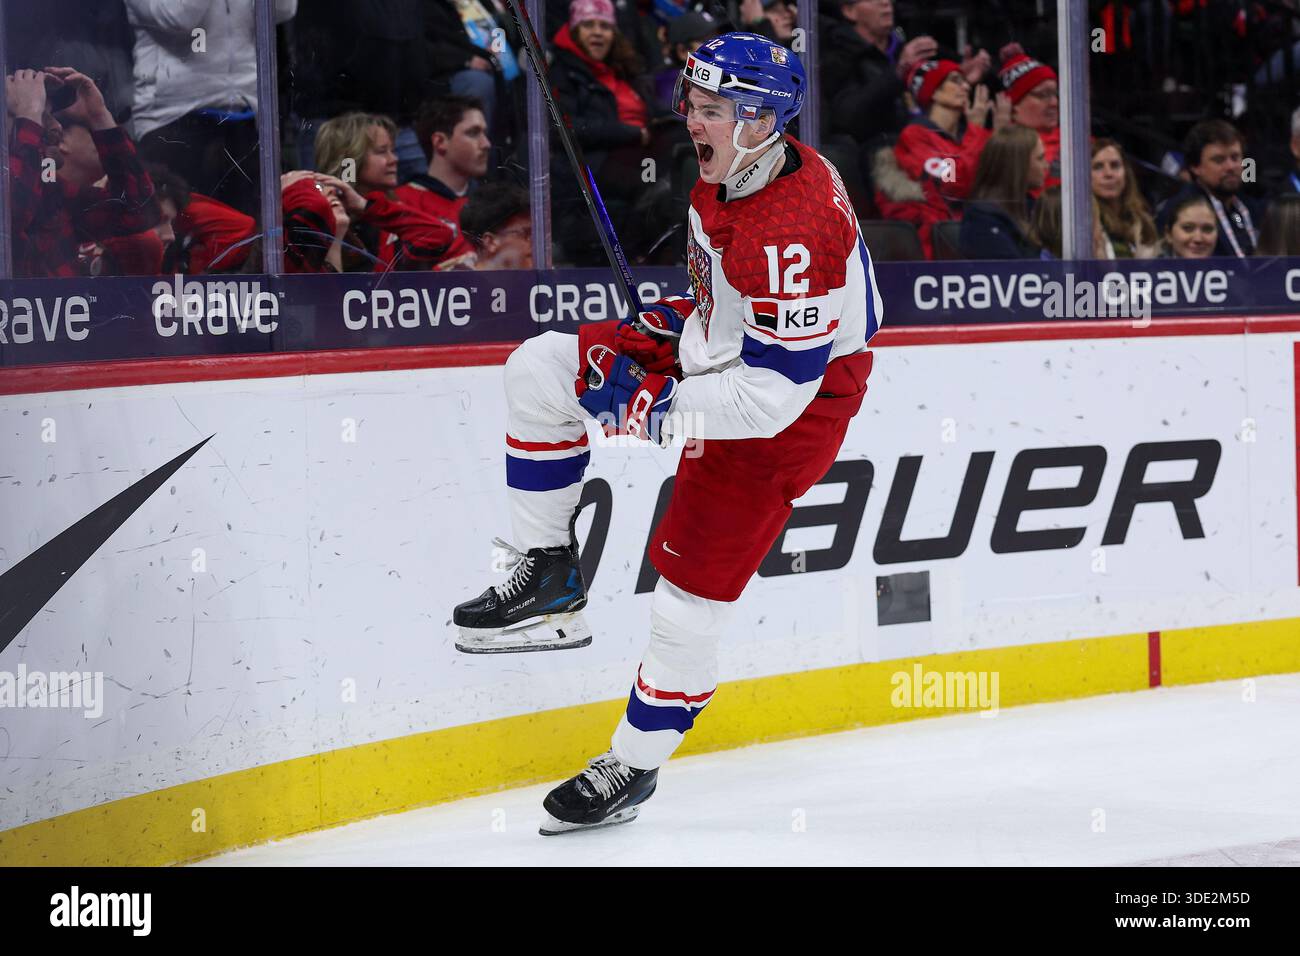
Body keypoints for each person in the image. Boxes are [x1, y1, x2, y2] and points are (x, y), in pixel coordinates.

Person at [451, 33, 882, 834]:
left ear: (759, 119)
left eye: (710, 109)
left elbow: (773, 399)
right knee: (540, 369)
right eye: (692, 102)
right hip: (725, 347)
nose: (689, 119)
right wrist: (681, 326)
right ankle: (547, 579)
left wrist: (650, 400)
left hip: (791, 409)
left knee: (687, 607)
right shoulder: (744, 163)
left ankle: (633, 764)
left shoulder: (792, 230)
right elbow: (734, 292)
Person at [123, 0, 298, 217]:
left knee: (244, 231)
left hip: (243, 112)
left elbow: (282, 11)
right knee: (187, 232)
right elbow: (178, 17)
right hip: (172, 117)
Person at [6, 67, 160, 278]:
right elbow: (11, 215)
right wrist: (30, 115)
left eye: (49, 114)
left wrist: (98, 116)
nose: (57, 126)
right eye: (41, 114)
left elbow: (139, 211)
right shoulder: (19, 194)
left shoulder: (52, 193)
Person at [550, 0, 663, 263]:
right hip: (595, 166)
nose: (598, 32)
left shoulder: (625, 70)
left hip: (642, 157)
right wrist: (630, 134)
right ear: (574, 30)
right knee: (660, 190)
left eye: (604, 26)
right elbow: (565, 127)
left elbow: (651, 112)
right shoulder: (562, 73)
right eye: (589, 25)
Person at [874, 59, 1002, 258]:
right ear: (933, 91)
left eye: (964, 81)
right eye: (955, 80)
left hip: (975, 238)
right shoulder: (915, 137)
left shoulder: (967, 137)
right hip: (940, 252)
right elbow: (954, 182)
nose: (966, 86)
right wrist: (976, 129)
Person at [309, 112, 459, 272]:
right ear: (351, 159)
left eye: (392, 150)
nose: (394, 159)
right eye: (382, 151)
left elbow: (440, 235)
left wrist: (365, 205)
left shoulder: (396, 208)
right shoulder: (327, 219)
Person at [393, 97, 491, 269]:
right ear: (440, 142)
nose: (486, 144)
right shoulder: (401, 202)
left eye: (485, 133)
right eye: (474, 133)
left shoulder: (490, 204)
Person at [1157, 119, 1266, 258]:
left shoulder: (1250, 207)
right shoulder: (1178, 209)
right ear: (1195, 167)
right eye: (1219, 160)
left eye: (1235, 157)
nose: (1231, 167)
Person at [958, 125, 1048, 259]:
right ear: (1018, 166)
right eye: (1040, 158)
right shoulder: (982, 221)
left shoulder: (1031, 207)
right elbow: (1011, 274)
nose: (1046, 165)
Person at [997, 43, 1059, 194]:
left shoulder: (1079, 141)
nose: (1054, 103)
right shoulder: (992, 147)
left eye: (1054, 94)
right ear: (1013, 104)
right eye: (1042, 95)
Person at [1091, 138, 1159, 259]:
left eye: (1115, 165)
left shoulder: (1142, 221)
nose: (1108, 173)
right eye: (1098, 167)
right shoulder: (1084, 224)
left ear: (1126, 172)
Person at [461, 184, 533, 269]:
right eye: (526, 234)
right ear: (490, 242)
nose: (536, 243)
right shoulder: (452, 281)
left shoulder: (545, 278)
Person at [1158, 192, 1218, 259]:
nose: (1198, 239)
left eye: (1207, 229)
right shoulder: (1149, 269)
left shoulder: (1229, 267)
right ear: (1168, 234)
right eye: (1188, 228)